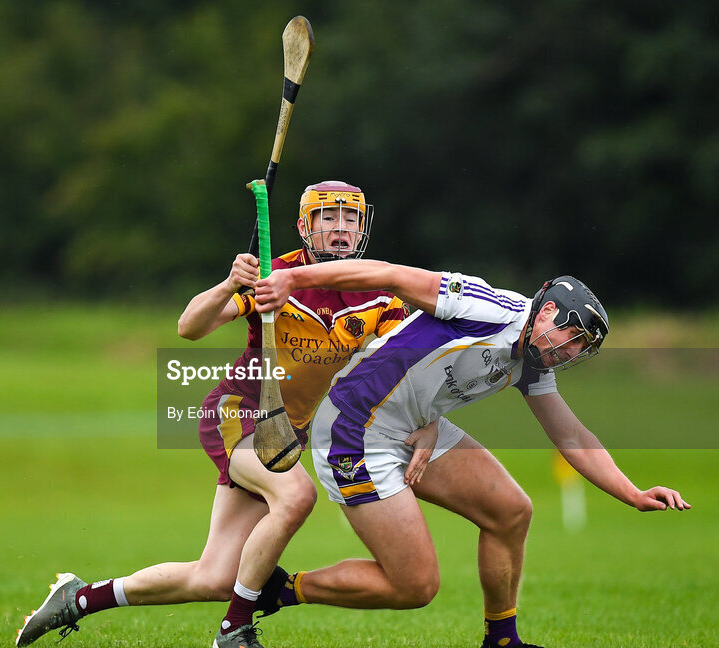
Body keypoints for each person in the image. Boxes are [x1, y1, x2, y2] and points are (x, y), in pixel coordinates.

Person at [14, 181, 417, 648]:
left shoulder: (380, 298)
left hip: (287, 434)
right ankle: (234, 630)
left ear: (363, 229)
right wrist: (232, 283)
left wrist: (422, 423)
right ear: (306, 227)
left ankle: (78, 599)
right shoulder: (276, 275)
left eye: (351, 220)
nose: (341, 230)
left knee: (214, 577)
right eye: (328, 219)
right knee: (296, 497)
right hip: (238, 415)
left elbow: (401, 373)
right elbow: (189, 327)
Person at [248, 260, 691, 648]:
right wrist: (293, 278)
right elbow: (389, 275)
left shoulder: (533, 362)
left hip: (413, 426)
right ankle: (283, 589)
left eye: (580, 349)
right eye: (572, 338)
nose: (570, 353)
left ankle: (502, 639)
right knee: (416, 586)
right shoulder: (488, 308)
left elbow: (570, 435)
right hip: (353, 429)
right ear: (548, 311)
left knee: (511, 511)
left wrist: (632, 493)